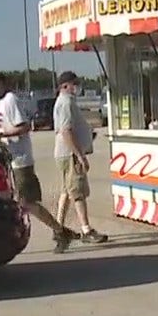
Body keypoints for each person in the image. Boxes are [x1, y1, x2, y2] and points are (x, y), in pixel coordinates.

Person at [0, 71, 79, 252]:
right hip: (12, 160)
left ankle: (60, 231)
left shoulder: (11, 100)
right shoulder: (3, 102)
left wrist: (1, 135)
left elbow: (24, 126)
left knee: (27, 203)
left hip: (21, 161)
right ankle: (57, 231)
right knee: (20, 203)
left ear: (0, 83)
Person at [53, 71, 108, 248]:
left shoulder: (63, 102)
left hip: (64, 153)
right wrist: (80, 155)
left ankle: (58, 228)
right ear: (65, 85)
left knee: (66, 192)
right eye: (74, 83)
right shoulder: (66, 102)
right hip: (70, 155)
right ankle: (86, 230)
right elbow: (66, 131)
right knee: (77, 192)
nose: (77, 86)